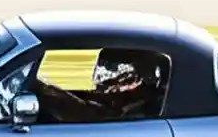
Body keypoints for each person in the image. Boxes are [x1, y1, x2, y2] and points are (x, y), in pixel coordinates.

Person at [32, 49, 166, 123]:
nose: (103, 80)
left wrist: (44, 91)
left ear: (135, 82)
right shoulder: (114, 100)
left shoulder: (129, 113)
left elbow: (82, 112)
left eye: (117, 73)